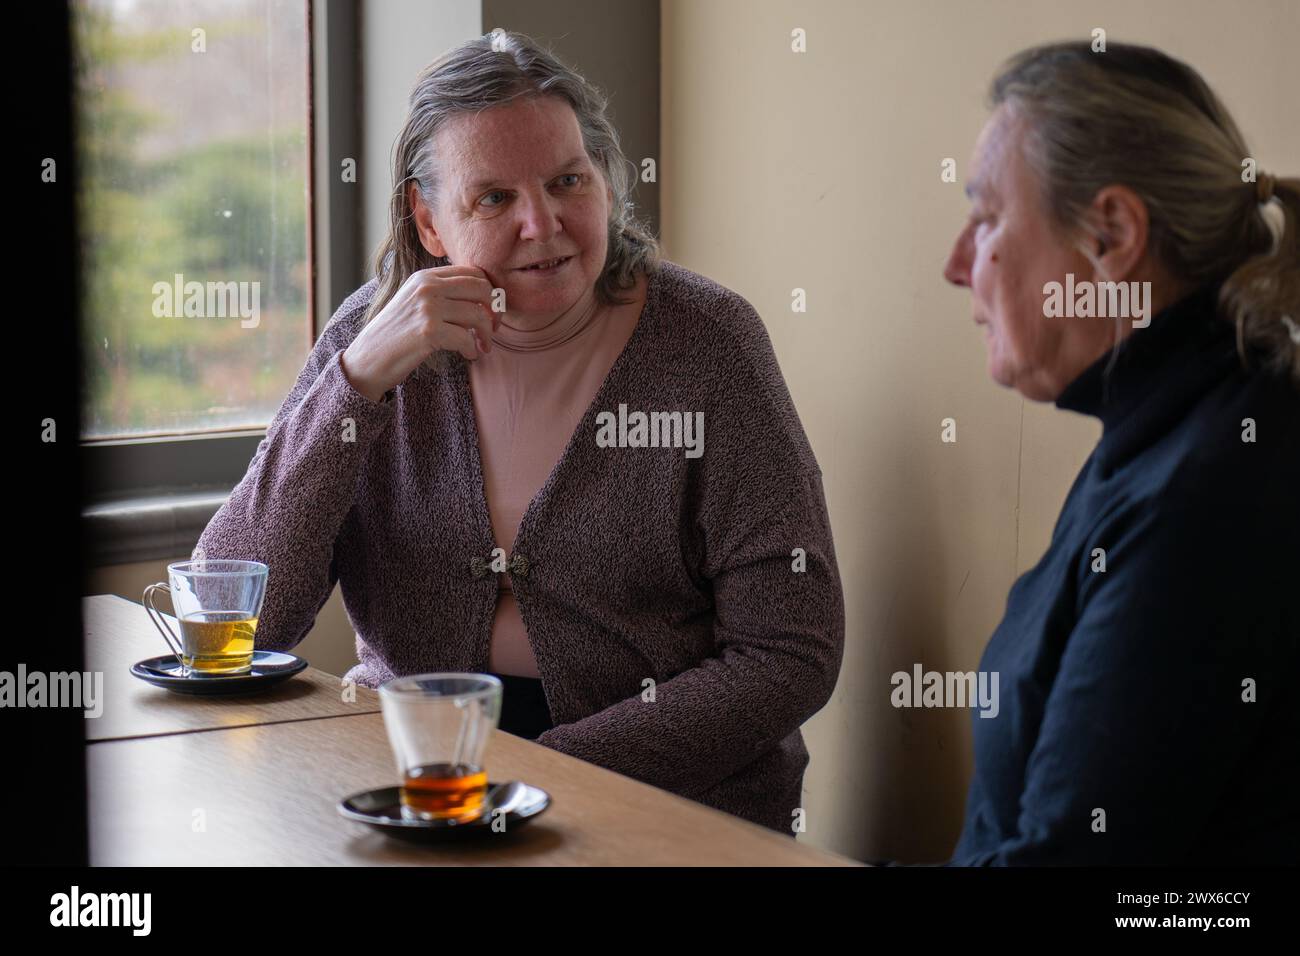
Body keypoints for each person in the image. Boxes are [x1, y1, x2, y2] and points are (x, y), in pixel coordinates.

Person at [195, 30, 844, 836]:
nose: (544, 224)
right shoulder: (366, 345)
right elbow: (231, 623)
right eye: (494, 198)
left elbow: (791, 649)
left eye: (569, 180)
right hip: (418, 800)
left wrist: (554, 774)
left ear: (605, 180)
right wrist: (355, 384)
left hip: (670, 807)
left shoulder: (708, 342)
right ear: (429, 222)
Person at [935, 41, 1299, 864]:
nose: (958, 265)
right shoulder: (1171, 428)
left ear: (1113, 233)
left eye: (988, 217)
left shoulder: (1211, 490)